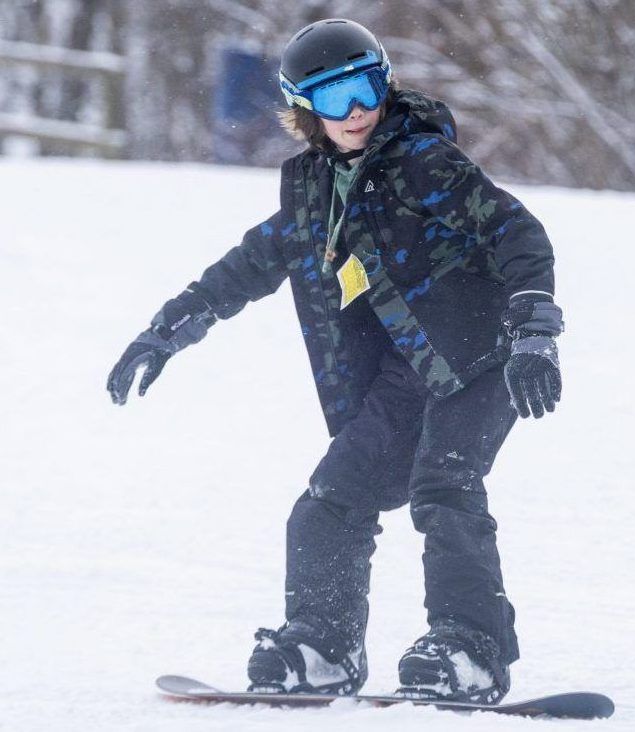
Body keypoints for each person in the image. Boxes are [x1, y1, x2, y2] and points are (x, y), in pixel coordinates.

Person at [106, 18, 564, 704]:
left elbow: (514, 231)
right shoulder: (312, 191)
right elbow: (247, 267)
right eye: (329, 97)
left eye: (362, 88)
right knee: (330, 502)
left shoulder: (421, 163)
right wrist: (165, 331)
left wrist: (534, 329)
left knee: (445, 486)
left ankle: (469, 650)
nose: (352, 111)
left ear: (383, 82)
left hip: (481, 353)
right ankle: (323, 646)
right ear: (302, 110)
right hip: (408, 370)